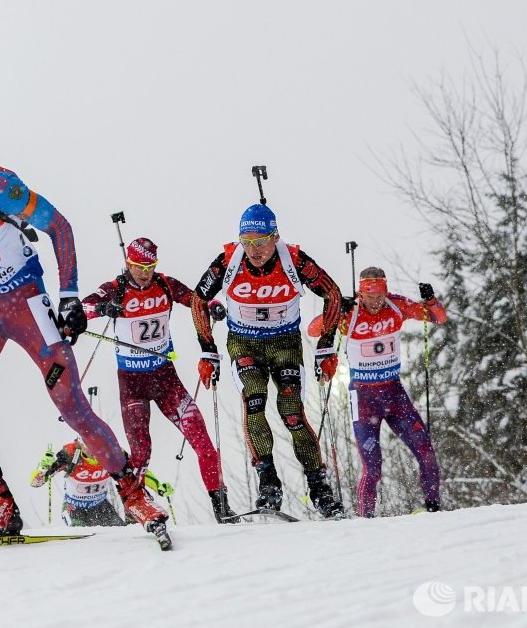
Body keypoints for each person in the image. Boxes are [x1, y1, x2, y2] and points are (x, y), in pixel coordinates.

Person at [0, 113, 166, 536]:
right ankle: (1, 505)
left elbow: (59, 226)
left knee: (70, 403)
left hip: (25, 306)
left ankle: (134, 495)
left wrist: (70, 296)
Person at [190, 204, 345, 517]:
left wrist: (326, 347)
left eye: (260, 242)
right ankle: (268, 481)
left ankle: (319, 488)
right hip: (243, 342)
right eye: (246, 242)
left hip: (284, 342)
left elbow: (333, 294)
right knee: (254, 401)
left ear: (275, 237)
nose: (253, 250)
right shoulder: (229, 261)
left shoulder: (295, 260)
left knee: (292, 412)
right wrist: (208, 349)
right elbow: (198, 299)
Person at [82, 238, 238, 523]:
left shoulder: (164, 284)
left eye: (150, 266)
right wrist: (104, 309)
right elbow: (83, 309)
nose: (145, 273)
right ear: (129, 263)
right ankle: (136, 508)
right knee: (141, 452)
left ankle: (222, 507)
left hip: (166, 379)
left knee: (202, 440)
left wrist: (213, 304)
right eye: (140, 267)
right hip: (132, 384)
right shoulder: (115, 289)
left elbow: (194, 299)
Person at [309, 267, 446, 517]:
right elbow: (313, 329)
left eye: (379, 295)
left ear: (385, 291)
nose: (375, 302)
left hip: (394, 394)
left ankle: (433, 509)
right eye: (370, 297)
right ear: (361, 294)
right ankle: (366, 521)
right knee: (372, 468)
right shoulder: (349, 314)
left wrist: (431, 300)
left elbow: (438, 317)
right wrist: (337, 306)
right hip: (363, 398)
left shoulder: (395, 305)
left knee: (426, 452)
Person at [29, 440, 175, 527]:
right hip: (74, 508)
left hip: (101, 506)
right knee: (84, 541)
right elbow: (36, 483)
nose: (92, 451)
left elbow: (136, 471)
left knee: (122, 537)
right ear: (79, 442)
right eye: (86, 446)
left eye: (95, 445)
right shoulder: (69, 454)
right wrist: (42, 468)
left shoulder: (111, 452)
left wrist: (158, 487)